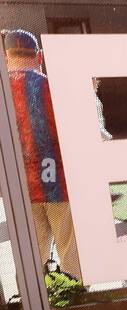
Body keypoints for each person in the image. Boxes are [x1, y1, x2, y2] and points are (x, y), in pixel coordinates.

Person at [3, 29, 81, 279]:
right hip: (59, 183)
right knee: (70, 255)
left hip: (19, 188)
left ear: (6, 57)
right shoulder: (54, 85)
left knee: (30, 262)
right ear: (40, 56)